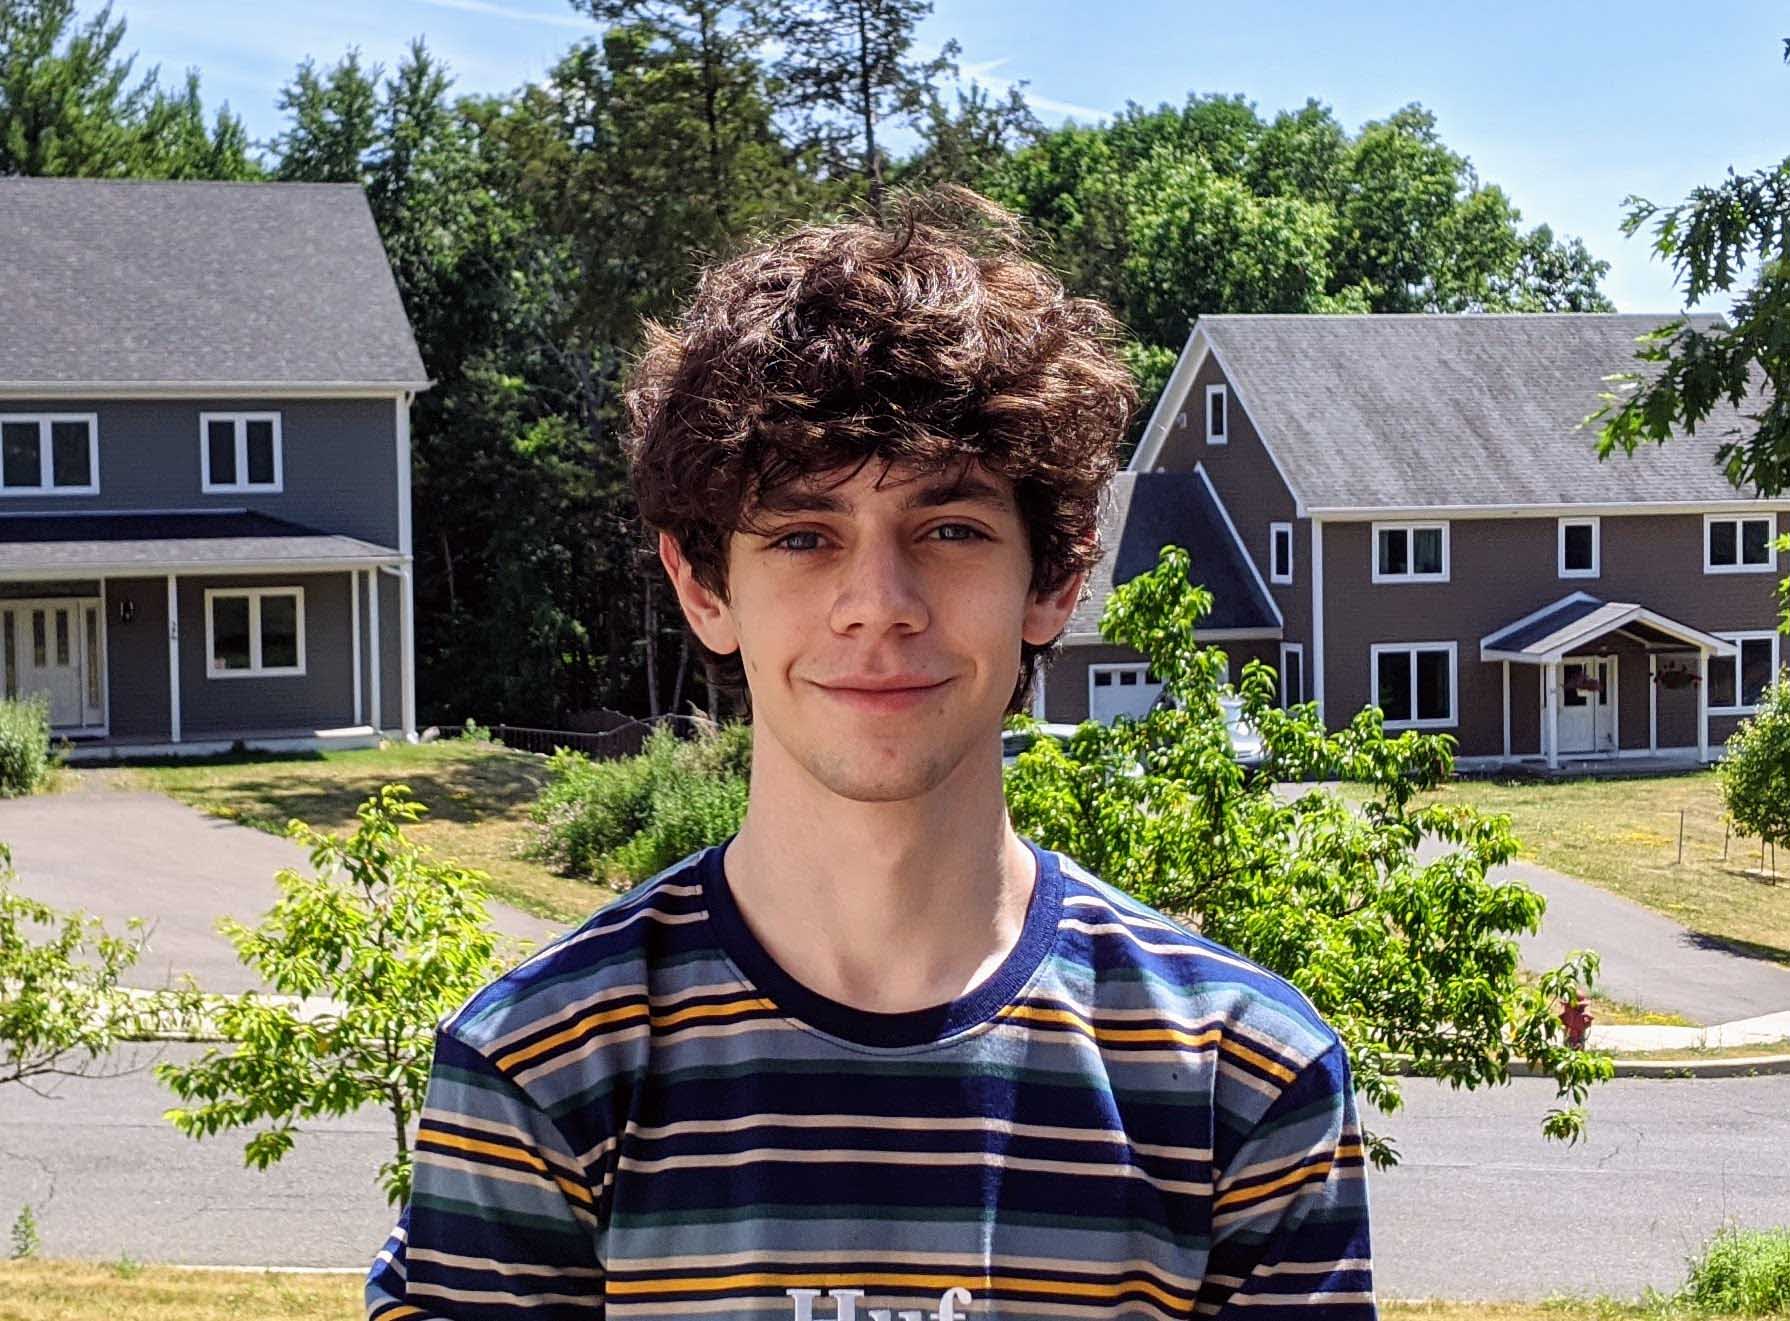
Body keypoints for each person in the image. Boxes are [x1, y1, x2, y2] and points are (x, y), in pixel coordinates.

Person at [365, 185, 1377, 1320]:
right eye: (803, 536)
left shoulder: (1239, 1076)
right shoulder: (539, 1067)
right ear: (703, 587)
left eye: (949, 530)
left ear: (1052, 578)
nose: (876, 605)